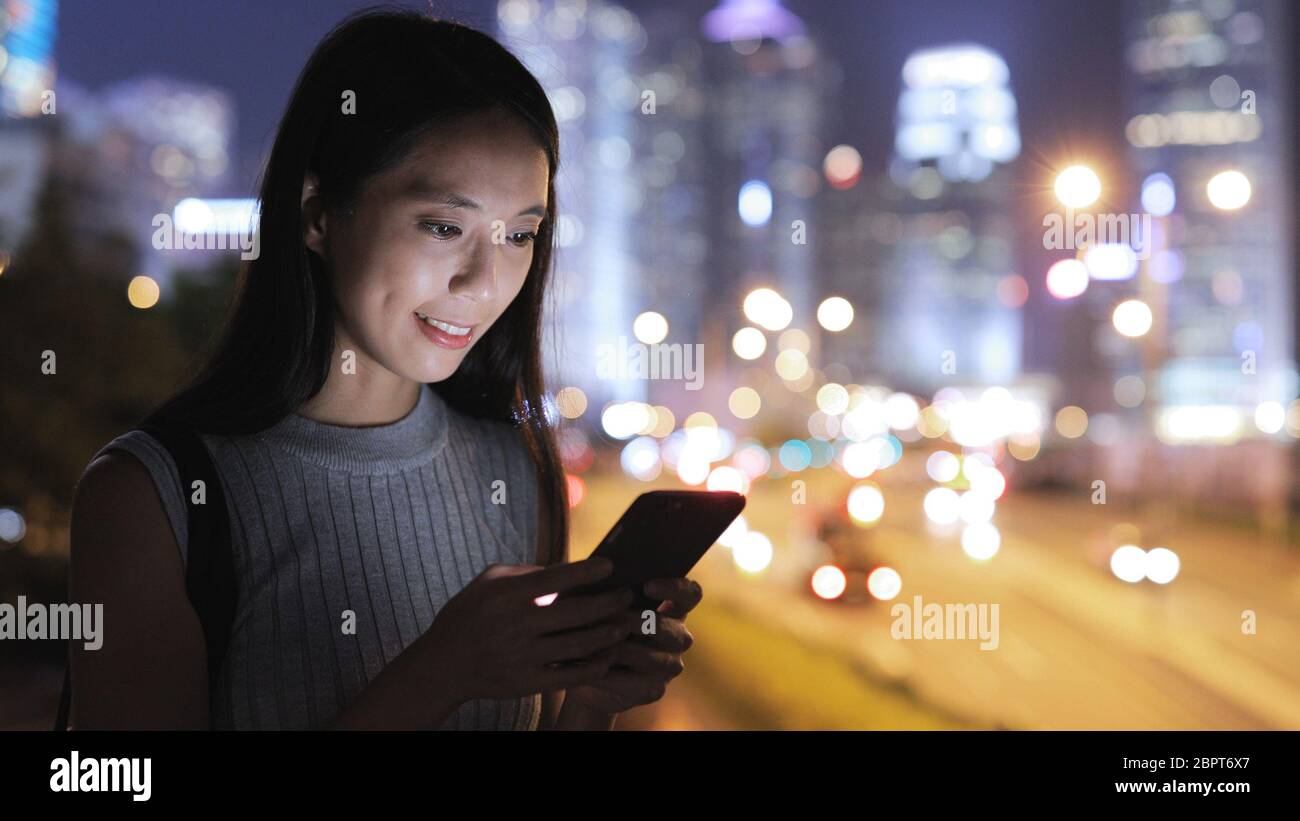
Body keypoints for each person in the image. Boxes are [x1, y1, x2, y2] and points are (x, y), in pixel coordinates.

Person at [67, 9, 701, 730]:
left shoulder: (513, 466)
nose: (484, 281)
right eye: (443, 226)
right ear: (316, 213)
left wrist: (588, 702)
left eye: (521, 234)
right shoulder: (154, 496)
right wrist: (438, 674)